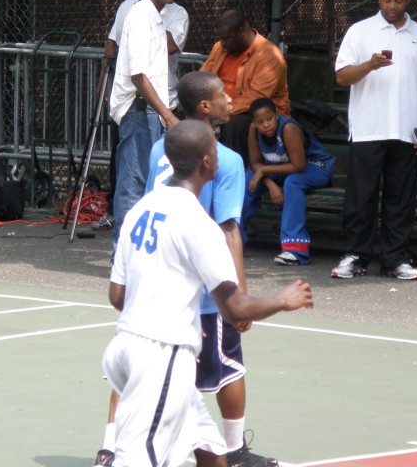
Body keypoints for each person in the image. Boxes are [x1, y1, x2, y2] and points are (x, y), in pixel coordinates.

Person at [102, 119, 313, 467]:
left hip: (124, 348)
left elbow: (117, 296)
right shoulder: (199, 223)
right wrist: (281, 300)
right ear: (206, 162)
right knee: (139, 459)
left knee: (213, 452)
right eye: (215, 151)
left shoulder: (140, 210)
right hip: (159, 355)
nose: (220, 157)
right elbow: (234, 309)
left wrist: (175, 315)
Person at [331, 0, 417, 281]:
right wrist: (369, 65)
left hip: (406, 130)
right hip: (368, 128)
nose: (392, 6)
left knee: (401, 198)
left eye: (398, 1)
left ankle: (395, 258)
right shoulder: (360, 31)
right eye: (386, 0)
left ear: (408, 0)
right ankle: (355, 256)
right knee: (361, 197)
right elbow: (341, 78)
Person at [92, 0, 190, 231]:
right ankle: (125, 252)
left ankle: (143, 243)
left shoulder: (166, 15)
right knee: (134, 179)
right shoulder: (136, 14)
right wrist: (167, 115)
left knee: (149, 175)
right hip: (141, 107)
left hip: (156, 106)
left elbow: (168, 47)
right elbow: (137, 74)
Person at [242, 97, 335, 264]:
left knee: (293, 182)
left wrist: (264, 170)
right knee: (247, 179)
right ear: (254, 123)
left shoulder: (288, 128)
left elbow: (298, 166)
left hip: (314, 167)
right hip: (280, 170)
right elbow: (256, 163)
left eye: (269, 118)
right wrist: (271, 184)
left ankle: (295, 250)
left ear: (276, 115)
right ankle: (234, 239)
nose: (266, 125)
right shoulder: (253, 131)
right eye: (260, 122)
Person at [199, 10, 289, 166]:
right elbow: (202, 80)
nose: (222, 43)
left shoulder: (269, 55)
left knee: (235, 125)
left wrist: (218, 111)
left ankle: (232, 174)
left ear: (242, 32)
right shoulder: (219, 48)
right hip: (221, 109)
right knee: (182, 117)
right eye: (220, 38)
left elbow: (255, 98)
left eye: (226, 38)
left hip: (258, 114)